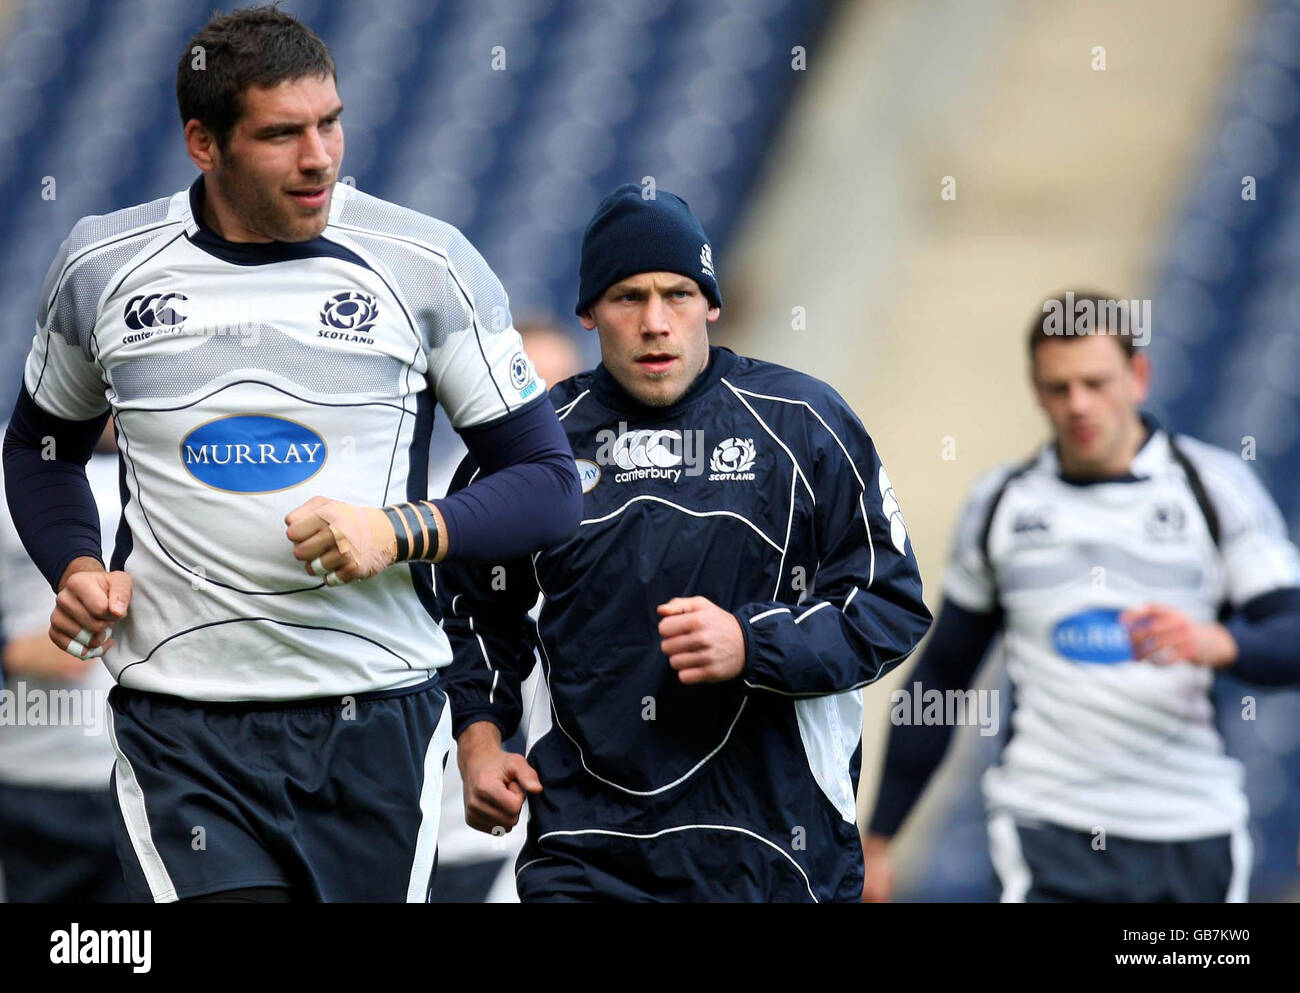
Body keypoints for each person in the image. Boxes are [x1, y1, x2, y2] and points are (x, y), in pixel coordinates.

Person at [1, 6, 580, 903]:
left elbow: (549, 483)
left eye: (330, 122)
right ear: (204, 142)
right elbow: (42, 449)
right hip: (182, 726)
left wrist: (401, 531)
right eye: (281, 134)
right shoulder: (102, 267)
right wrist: (75, 561)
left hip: (376, 718)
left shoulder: (426, 265)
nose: (319, 156)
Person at [437, 184, 932, 902]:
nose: (655, 322)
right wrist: (479, 740)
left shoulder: (804, 425)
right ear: (588, 313)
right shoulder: (531, 446)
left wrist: (751, 643)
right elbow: (472, 609)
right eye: (627, 297)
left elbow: (889, 605)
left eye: (677, 294)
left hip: (774, 853)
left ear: (712, 304)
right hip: (587, 854)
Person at [864, 292, 1300, 903]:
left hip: (1193, 831)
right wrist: (880, 836)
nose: (1078, 406)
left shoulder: (1216, 488)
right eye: (1058, 388)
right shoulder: (1001, 506)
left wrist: (1217, 642)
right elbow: (942, 677)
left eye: (1096, 383)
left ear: (1139, 376)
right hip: (1047, 826)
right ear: (1035, 389)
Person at [431, 319, 584, 903]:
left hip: (542, 827)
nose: (548, 411)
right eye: (531, 389)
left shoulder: (603, 521)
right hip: (439, 821)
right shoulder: (433, 501)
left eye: (564, 387)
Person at [0, 420, 126, 902]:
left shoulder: (183, 466)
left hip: (152, 774)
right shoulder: (17, 465)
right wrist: (10, 655)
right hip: (34, 776)